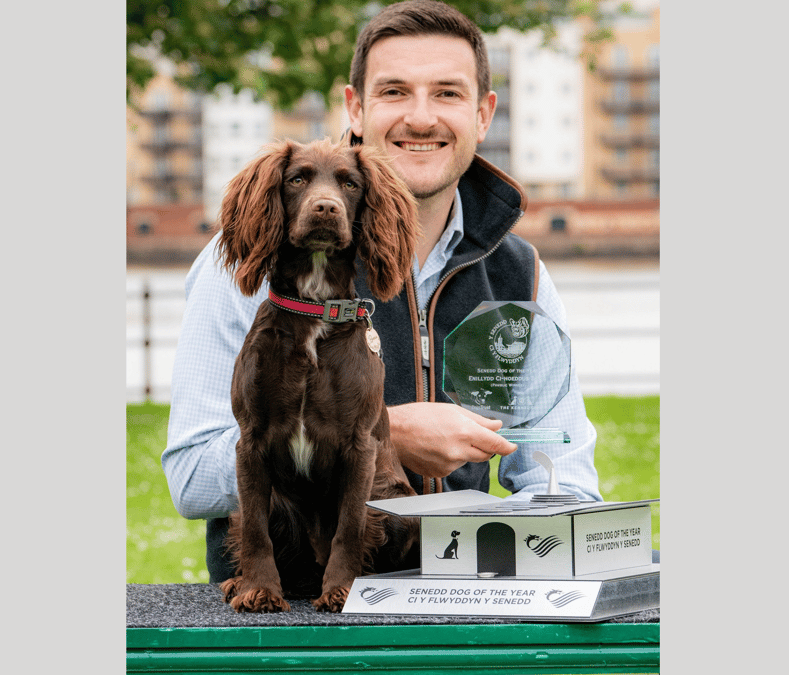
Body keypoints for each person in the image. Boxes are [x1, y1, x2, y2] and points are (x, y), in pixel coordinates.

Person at [162, 0, 604, 585]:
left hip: (458, 614)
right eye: (395, 92)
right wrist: (387, 437)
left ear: (483, 114)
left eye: (447, 93)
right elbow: (192, 476)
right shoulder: (253, 261)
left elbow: (562, 478)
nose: (421, 118)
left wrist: (525, 546)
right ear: (355, 108)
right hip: (290, 623)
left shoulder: (520, 274)